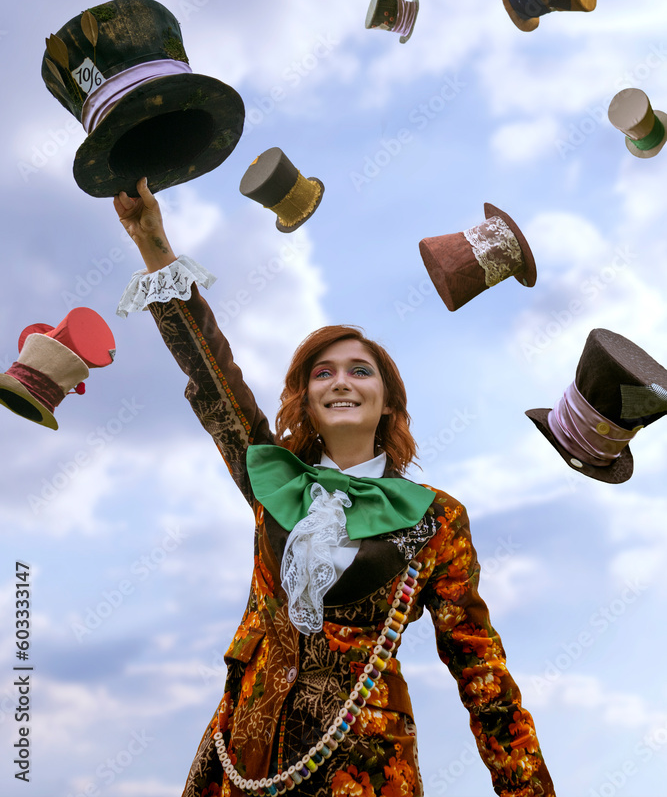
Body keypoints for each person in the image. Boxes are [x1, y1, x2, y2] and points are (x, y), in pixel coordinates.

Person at [114, 179, 555, 797]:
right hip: (241, 763)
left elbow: (482, 674)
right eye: (323, 372)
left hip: (367, 776)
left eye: (360, 371)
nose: (341, 382)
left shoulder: (438, 519)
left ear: (388, 402)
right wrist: (153, 244)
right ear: (307, 400)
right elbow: (212, 378)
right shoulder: (272, 477)